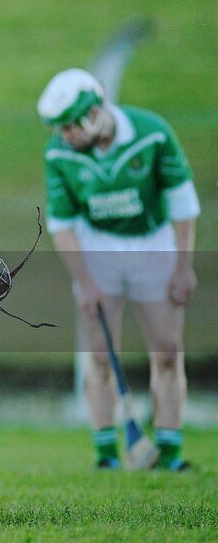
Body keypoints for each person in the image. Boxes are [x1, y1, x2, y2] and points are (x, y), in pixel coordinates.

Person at [37, 68, 200, 471]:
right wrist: (85, 282)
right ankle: (107, 454)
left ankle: (170, 452)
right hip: (97, 249)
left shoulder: (153, 133)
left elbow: (182, 205)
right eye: (59, 127)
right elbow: (62, 225)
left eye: (72, 124)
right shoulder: (60, 154)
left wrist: (183, 268)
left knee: (166, 350)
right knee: (99, 355)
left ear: (95, 111)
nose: (66, 134)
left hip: (153, 244)